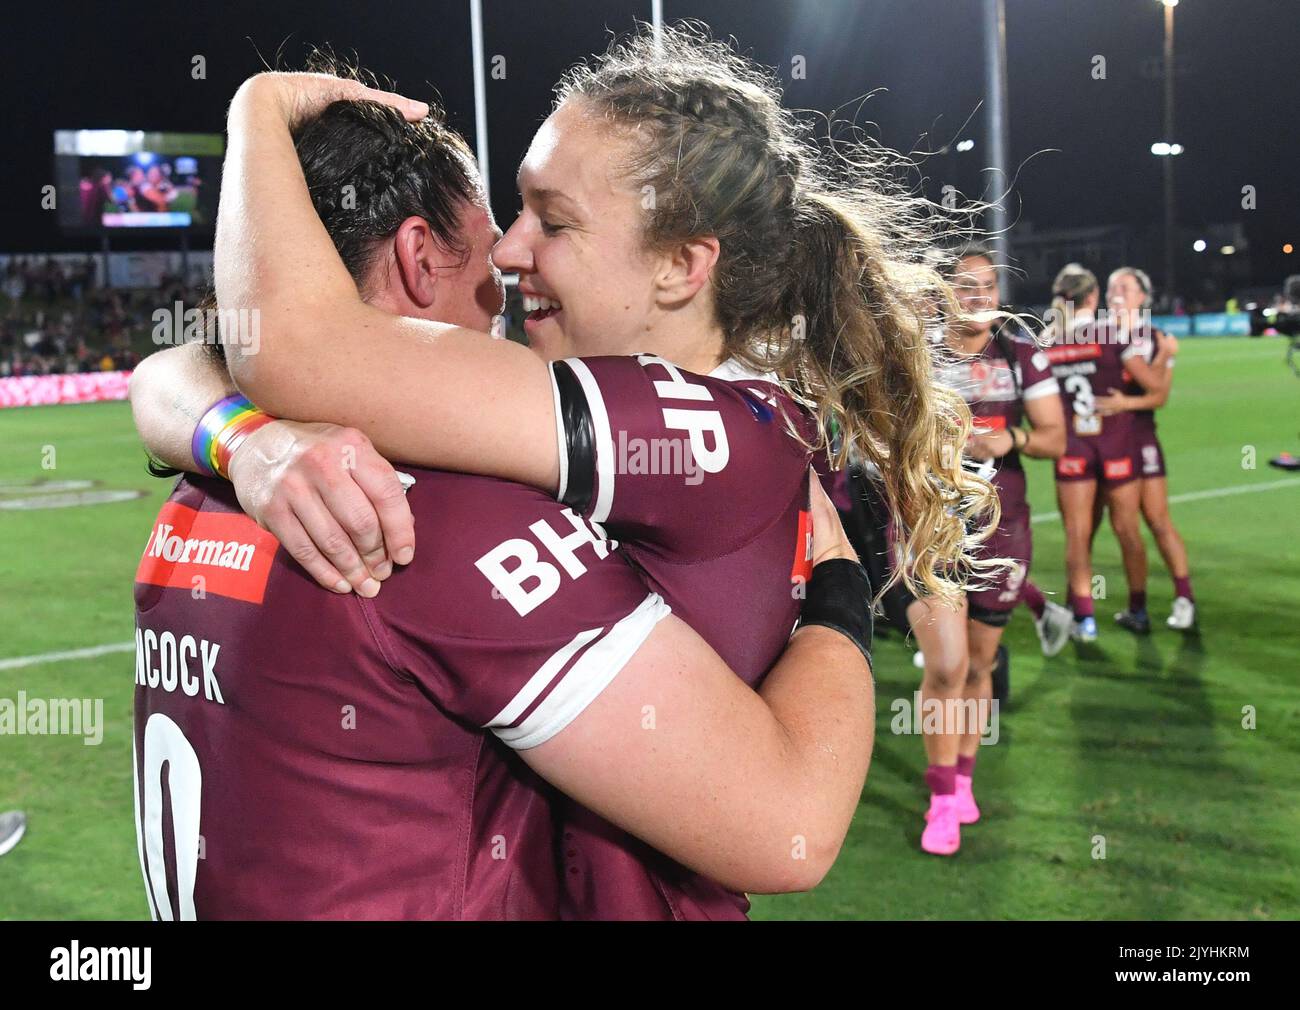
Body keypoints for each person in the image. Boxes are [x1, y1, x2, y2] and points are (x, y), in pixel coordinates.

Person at [133, 28, 994, 917]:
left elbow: (293, 351)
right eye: (514, 214)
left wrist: (841, 601)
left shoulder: (696, 432)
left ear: (681, 265)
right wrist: (243, 433)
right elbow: (208, 365)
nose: (508, 252)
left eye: (554, 218)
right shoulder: (383, 472)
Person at [880, 245, 1066, 856]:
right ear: (945, 291)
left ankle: (962, 777)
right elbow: (883, 432)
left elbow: (1054, 437)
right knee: (947, 665)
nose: (978, 296)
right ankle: (939, 798)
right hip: (932, 528)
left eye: (987, 285)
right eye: (965, 285)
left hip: (1002, 530)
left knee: (981, 666)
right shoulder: (918, 351)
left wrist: (1002, 438)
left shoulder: (1019, 352)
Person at [1042, 264, 1166, 643]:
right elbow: (1156, 390)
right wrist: (1160, 363)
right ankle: (1139, 610)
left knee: (1078, 535)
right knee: (1128, 529)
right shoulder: (1112, 334)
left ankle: (1084, 620)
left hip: (1073, 448)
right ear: (1093, 297)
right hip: (1117, 446)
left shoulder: (1048, 340)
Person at [1095, 266, 1195, 630]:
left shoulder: (1154, 338)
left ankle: (1185, 597)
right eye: (1111, 288)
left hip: (1140, 437)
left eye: (1124, 287)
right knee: (1123, 526)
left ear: (1141, 296)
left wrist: (1126, 404)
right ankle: (1138, 609)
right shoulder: (1097, 336)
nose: (1116, 293)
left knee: (1156, 520)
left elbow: (1159, 396)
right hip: (1104, 444)